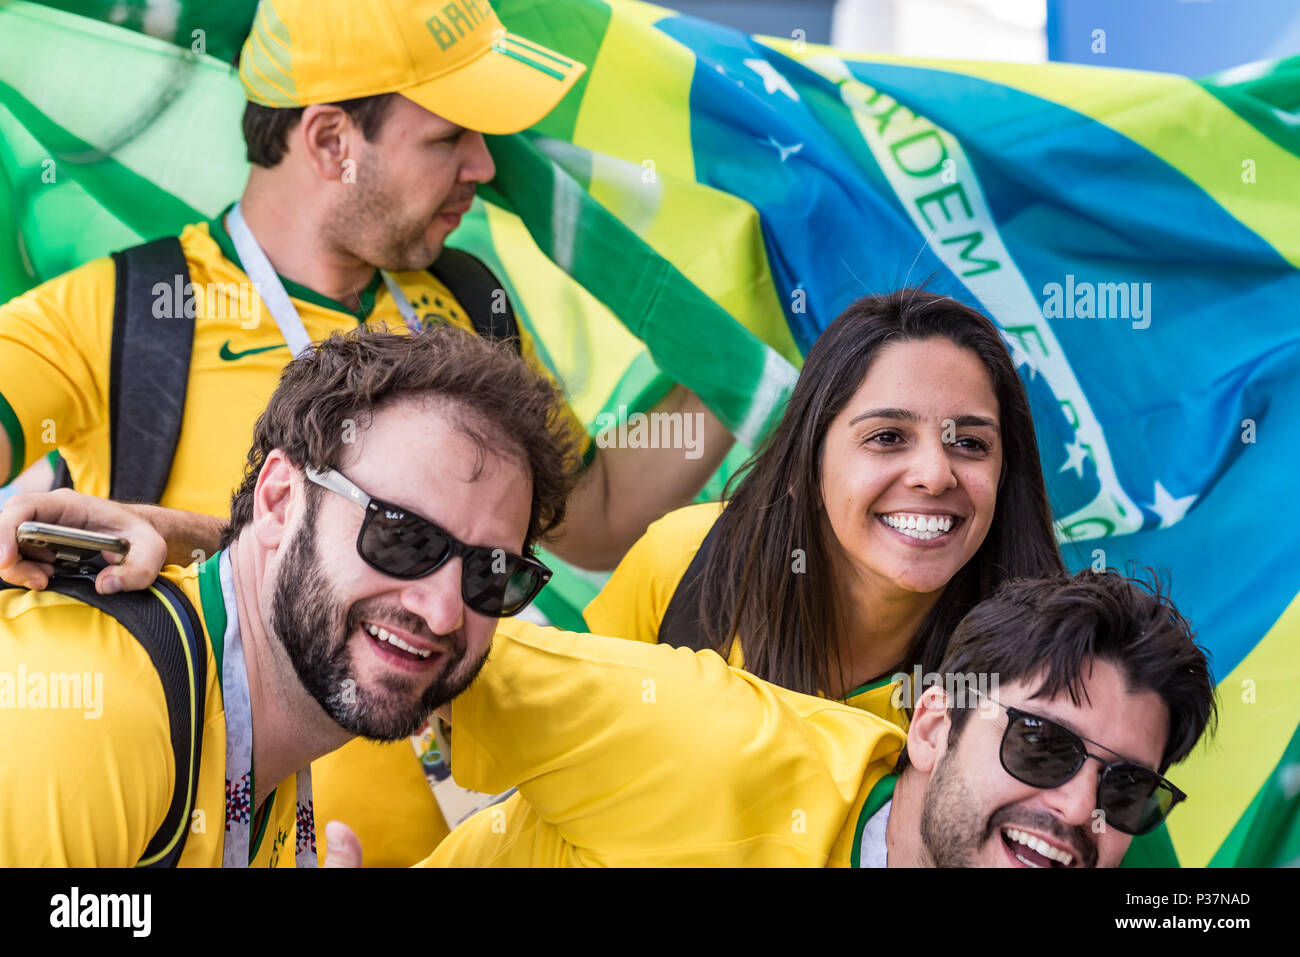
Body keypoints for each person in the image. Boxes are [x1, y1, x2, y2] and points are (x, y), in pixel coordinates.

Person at [0, 0, 731, 863]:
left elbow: (596, 513)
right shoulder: (122, 310)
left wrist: (741, 364)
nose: (485, 166)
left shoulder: (467, 300)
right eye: (450, 136)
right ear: (331, 142)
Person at [0, 323, 576, 865]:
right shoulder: (97, 709)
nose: (445, 610)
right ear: (278, 500)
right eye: (402, 535)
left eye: (491, 573)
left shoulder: (246, 741)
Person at [371, 570, 1212, 868]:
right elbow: (426, 638)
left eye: (1128, 790)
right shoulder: (711, 741)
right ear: (930, 726)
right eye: (1041, 743)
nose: (1077, 810)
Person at [585, 289, 1064, 728]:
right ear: (806, 468)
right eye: (887, 437)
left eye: (969, 442)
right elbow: (565, 762)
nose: (935, 475)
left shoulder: (1037, 681)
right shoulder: (684, 560)